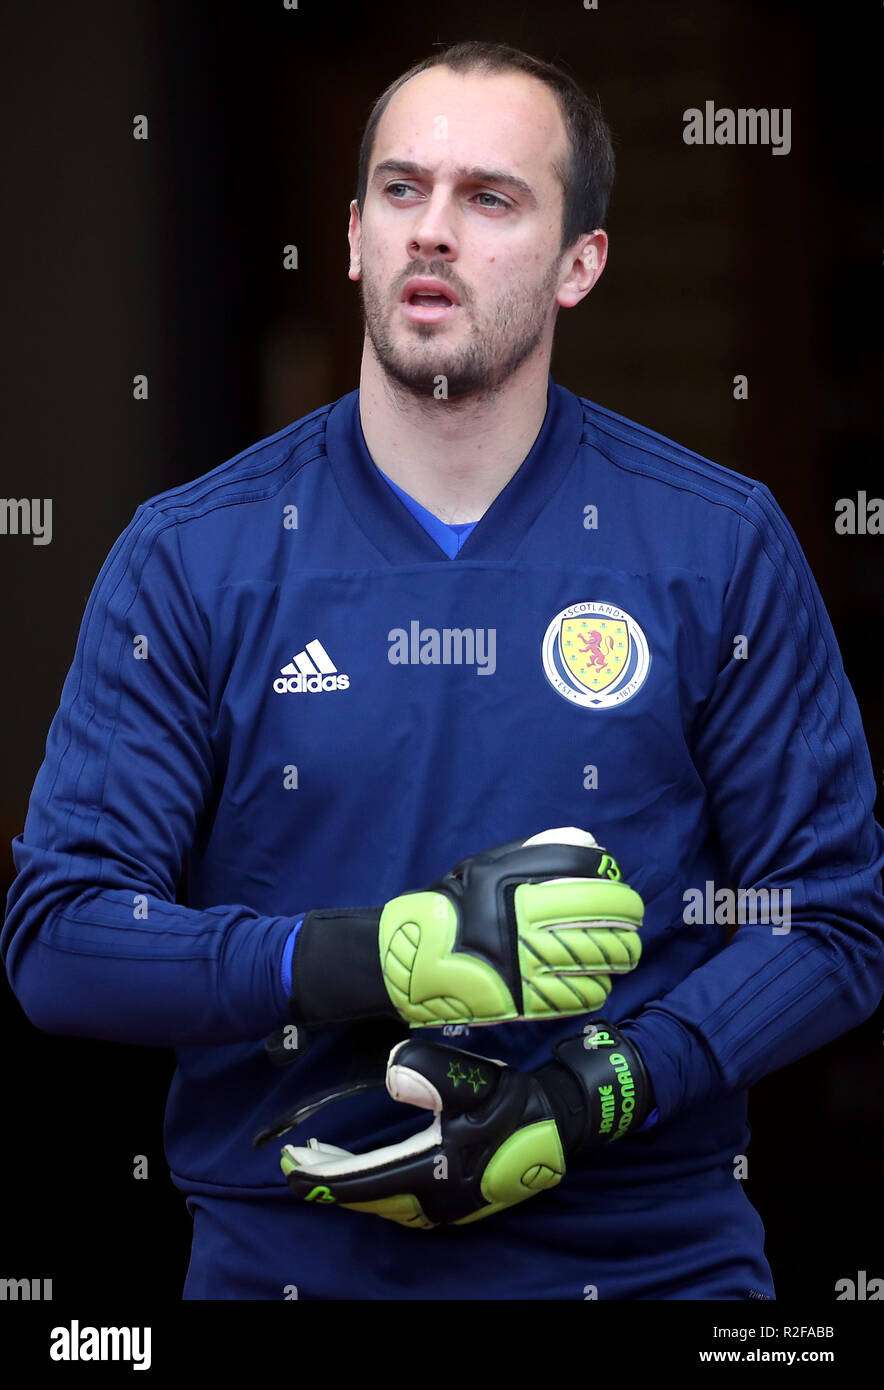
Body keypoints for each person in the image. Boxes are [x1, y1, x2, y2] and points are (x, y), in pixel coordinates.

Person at [4, 39, 883, 1301]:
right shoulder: (193, 560)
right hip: (290, 1271)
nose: (433, 232)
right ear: (353, 236)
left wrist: (595, 1089)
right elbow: (61, 939)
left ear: (579, 263)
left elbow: (828, 914)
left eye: (489, 198)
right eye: (401, 191)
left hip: (647, 1272)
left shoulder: (714, 546)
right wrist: (366, 954)